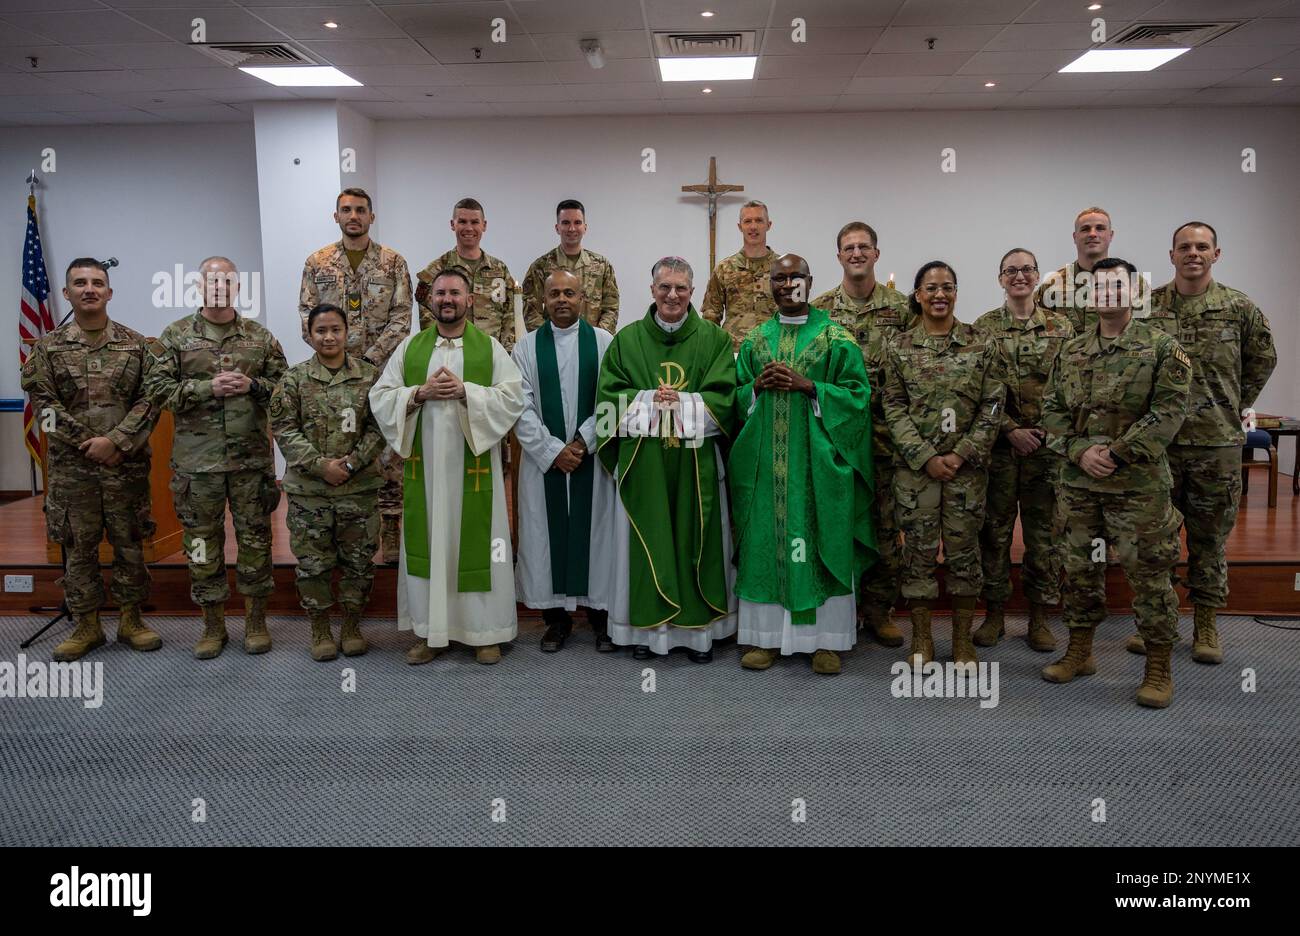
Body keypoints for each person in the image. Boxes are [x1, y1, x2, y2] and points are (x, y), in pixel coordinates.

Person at [1040, 257, 1191, 708]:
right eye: (1098, 287)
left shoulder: (1163, 348)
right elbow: (1050, 410)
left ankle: (1158, 667)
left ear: (1134, 293)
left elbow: (1168, 413)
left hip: (1138, 487)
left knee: (1149, 576)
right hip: (1079, 484)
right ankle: (1080, 651)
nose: (1107, 294)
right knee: (1079, 572)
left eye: (1116, 286)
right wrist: (1079, 451)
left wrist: (1116, 453)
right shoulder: (1071, 350)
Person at [1128, 222, 1277, 662]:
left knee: (1209, 538)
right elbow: (1133, 368)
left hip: (1216, 444)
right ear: (1171, 255)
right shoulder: (1148, 309)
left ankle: (1206, 626)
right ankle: (1161, 623)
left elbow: (1263, 360)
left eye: (1202, 247)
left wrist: (1232, 404)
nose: (1193, 253)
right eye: (1184, 247)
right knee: (1158, 539)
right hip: (1160, 446)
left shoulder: (1238, 308)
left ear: (1216, 254)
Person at [369, 268, 525, 666]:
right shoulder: (410, 349)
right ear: (430, 300)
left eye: (455, 292)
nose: (447, 299)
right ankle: (431, 632)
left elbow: (513, 398)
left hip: (474, 470)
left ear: (470, 300)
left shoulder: (489, 349)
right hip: (427, 474)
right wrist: (418, 393)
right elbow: (380, 396)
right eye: (440, 293)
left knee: (479, 546)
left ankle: (483, 632)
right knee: (432, 542)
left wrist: (466, 392)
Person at [731, 254, 877, 674]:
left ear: (810, 282)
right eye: (779, 277)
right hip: (765, 468)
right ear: (769, 284)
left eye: (796, 276)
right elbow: (733, 400)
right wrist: (755, 388)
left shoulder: (836, 338)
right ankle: (766, 639)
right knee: (767, 541)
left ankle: (825, 640)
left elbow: (858, 398)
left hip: (817, 467)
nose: (787, 283)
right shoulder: (755, 340)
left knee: (818, 539)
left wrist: (810, 386)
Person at [596, 256, 738, 662]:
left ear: (692, 292)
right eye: (664, 287)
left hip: (697, 466)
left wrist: (685, 403)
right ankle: (647, 634)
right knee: (648, 542)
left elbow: (727, 401)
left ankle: (700, 636)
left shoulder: (714, 339)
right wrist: (646, 401)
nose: (672, 295)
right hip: (646, 466)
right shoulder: (626, 340)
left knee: (698, 540)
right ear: (652, 290)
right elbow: (606, 404)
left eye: (680, 288)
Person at [144, 257, 287, 659]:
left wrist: (253, 384)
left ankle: (256, 621)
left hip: (250, 463)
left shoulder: (260, 337)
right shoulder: (175, 337)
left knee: (256, 542)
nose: (219, 286)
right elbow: (156, 390)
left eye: (227, 280)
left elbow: (285, 390)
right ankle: (212, 625)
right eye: (212, 280)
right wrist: (208, 389)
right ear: (199, 285)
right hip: (197, 464)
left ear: (237, 286)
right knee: (202, 545)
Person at [20, 258, 159, 661]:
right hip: (73, 470)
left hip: (125, 465)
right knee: (78, 547)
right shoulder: (46, 348)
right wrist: (91, 443)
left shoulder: (136, 345)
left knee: (130, 543)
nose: (89, 289)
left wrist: (116, 441)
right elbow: (44, 406)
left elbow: (152, 400)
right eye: (80, 283)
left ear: (110, 293)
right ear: (67, 294)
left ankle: (132, 620)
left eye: (97, 282)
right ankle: (86, 625)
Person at [881, 261, 1005, 666]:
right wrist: (926, 457)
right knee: (917, 551)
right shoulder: (898, 347)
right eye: (930, 288)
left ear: (956, 293)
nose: (939, 295)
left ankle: (962, 639)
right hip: (916, 473)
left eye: (947, 287)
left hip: (966, 472)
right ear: (916, 295)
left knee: (964, 551)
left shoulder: (981, 343)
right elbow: (892, 407)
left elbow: (993, 404)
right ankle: (921, 638)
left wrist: (961, 453)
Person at [812, 221, 914, 647]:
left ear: (876, 254)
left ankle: (879, 609)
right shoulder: (818, 311)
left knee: (887, 525)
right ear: (838, 256)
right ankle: (840, 606)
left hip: (887, 435)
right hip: (836, 437)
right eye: (848, 248)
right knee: (835, 521)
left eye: (864, 247)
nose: (856, 253)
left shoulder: (903, 308)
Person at [299, 187, 413, 564]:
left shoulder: (392, 262)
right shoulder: (318, 263)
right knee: (340, 445)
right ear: (336, 216)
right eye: (346, 210)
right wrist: (338, 357)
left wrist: (367, 360)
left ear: (371, 217)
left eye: (360, 210)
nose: (354, 216)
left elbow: (402, 318)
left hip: (380, 375)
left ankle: (392, 530)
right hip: (331, 378)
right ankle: (343, 533)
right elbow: (307, 316)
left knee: (389, 450)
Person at [271, 304, 387, 661]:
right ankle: (320, 628)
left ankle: (351, 626)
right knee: (313, 563)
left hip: (358, 488)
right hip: (311, 492)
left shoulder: (369, 376)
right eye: (320, 331)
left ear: (347, 331)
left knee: (358, 561)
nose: (329, 337)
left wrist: (351, 464)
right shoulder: (293, 379)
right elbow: (284, 429)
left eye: (335, 329)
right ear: (309, 335)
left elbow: (380, 426)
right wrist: (321, 466)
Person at [972, 249, 1074, 651]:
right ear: (1000, 279)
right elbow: (977, 390)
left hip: (1047, 451)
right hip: (998, 449)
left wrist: (1046, 431)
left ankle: (1039, 617)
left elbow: (1071, 387)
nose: (1019, 276)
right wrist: (1011, 429)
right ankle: (994, 613)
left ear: (1037, 277)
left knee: (1045, 538)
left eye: (1027, 270)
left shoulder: (1061, 328)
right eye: (1011, 271)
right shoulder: (982, 329)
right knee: (993, 534)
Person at [513, 271, 617, 652]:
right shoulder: (524, 348)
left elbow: (613, 399)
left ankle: (600, 618)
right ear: (542, 300)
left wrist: (583, 442)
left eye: (569, 293)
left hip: (592, 460)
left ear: (583, 298)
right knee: (545, 536)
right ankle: (556, 621)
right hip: (547, 465)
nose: (561, 299)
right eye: (554, 293)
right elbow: (518, 405)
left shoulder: (605, 343)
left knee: (598, 536)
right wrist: (552, 449)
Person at [414, 197, 516, 351]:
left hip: (492, 353)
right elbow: (428, 319)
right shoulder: (435, 271)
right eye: (462, 222)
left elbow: (509, 317)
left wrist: (506, 354)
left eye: (475, 222)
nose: (469, 228)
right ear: (452, 225)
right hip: (450, 354)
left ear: (484, 225)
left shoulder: (500, 270)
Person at [1035, 206, 1147, 333]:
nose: (1093, 234)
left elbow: (1148, 331)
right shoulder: (1053, 285)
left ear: (1111, 235)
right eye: (1085, 229)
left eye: (1100, 228)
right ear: (1075, 237)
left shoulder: (1134, 283)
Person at [521, 199, 619, 334]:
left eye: (577, 222)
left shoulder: (602, 266)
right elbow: (531, 312)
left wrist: (596, 337)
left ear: (585, 227)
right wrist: (551, 339)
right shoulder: (540, 267)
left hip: (592, 343)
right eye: (566, 223)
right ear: (557, 228)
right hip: (553, 345)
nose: (572, 228)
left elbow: (611, 308)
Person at [700, 201, 778, 351]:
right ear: (739, 226)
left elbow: (795, 313)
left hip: (774, 351)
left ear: (769, 225)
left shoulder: (782, 268)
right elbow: (711, 316)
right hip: (734, 352)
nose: (753, 226)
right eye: (747, 221)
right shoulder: (724, 269)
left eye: (759, 220)